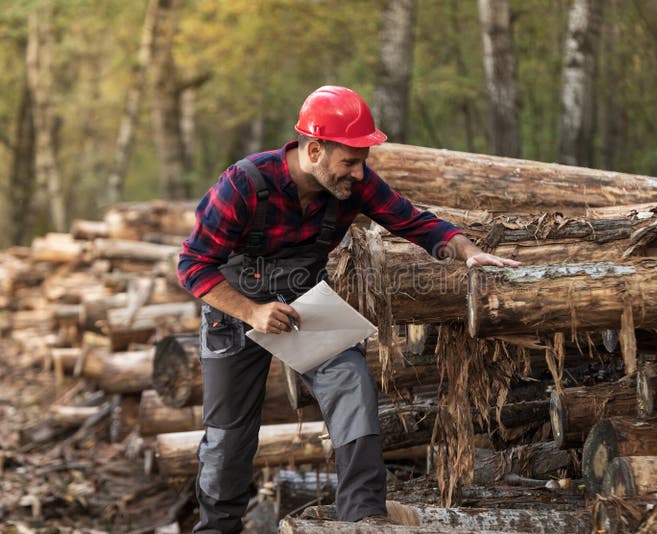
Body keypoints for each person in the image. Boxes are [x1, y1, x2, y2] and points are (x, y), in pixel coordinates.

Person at [177, 85, 521, 533]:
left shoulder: (351, 185)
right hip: (234, 307)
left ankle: (363, 518)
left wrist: (467, 250)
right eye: (351, 161)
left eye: (363, 162)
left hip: (306, 302)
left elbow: (412, 220)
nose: (359, 174)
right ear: (315, 149)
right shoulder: (244, 184)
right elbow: (192, 265)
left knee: (353, 387)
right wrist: (252, 311)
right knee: (228, 438)